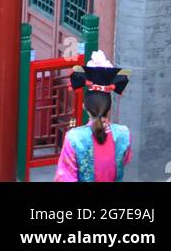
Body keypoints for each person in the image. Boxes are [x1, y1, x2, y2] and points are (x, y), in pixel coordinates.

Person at [54, 51, 132, 182]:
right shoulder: (123, 134)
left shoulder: (74, 138)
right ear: (109, 106)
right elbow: (124, 160)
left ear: (84, 106)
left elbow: (65, 178)